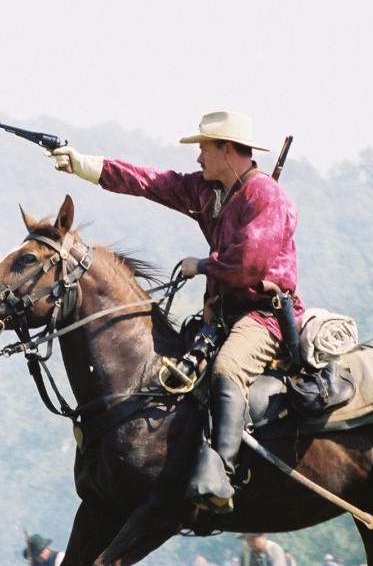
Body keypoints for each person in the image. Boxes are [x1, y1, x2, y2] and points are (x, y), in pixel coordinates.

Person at [52, 110, 304, 513]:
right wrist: (84, 165)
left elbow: (250, 265)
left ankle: (219, 473)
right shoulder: (208, 190)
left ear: (225, 149)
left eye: (203, 148)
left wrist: (202, 266)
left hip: (263, 317)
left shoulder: (266, 197)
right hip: (222, 315)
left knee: (227, 369)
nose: (198, 158)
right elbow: (151, 182)